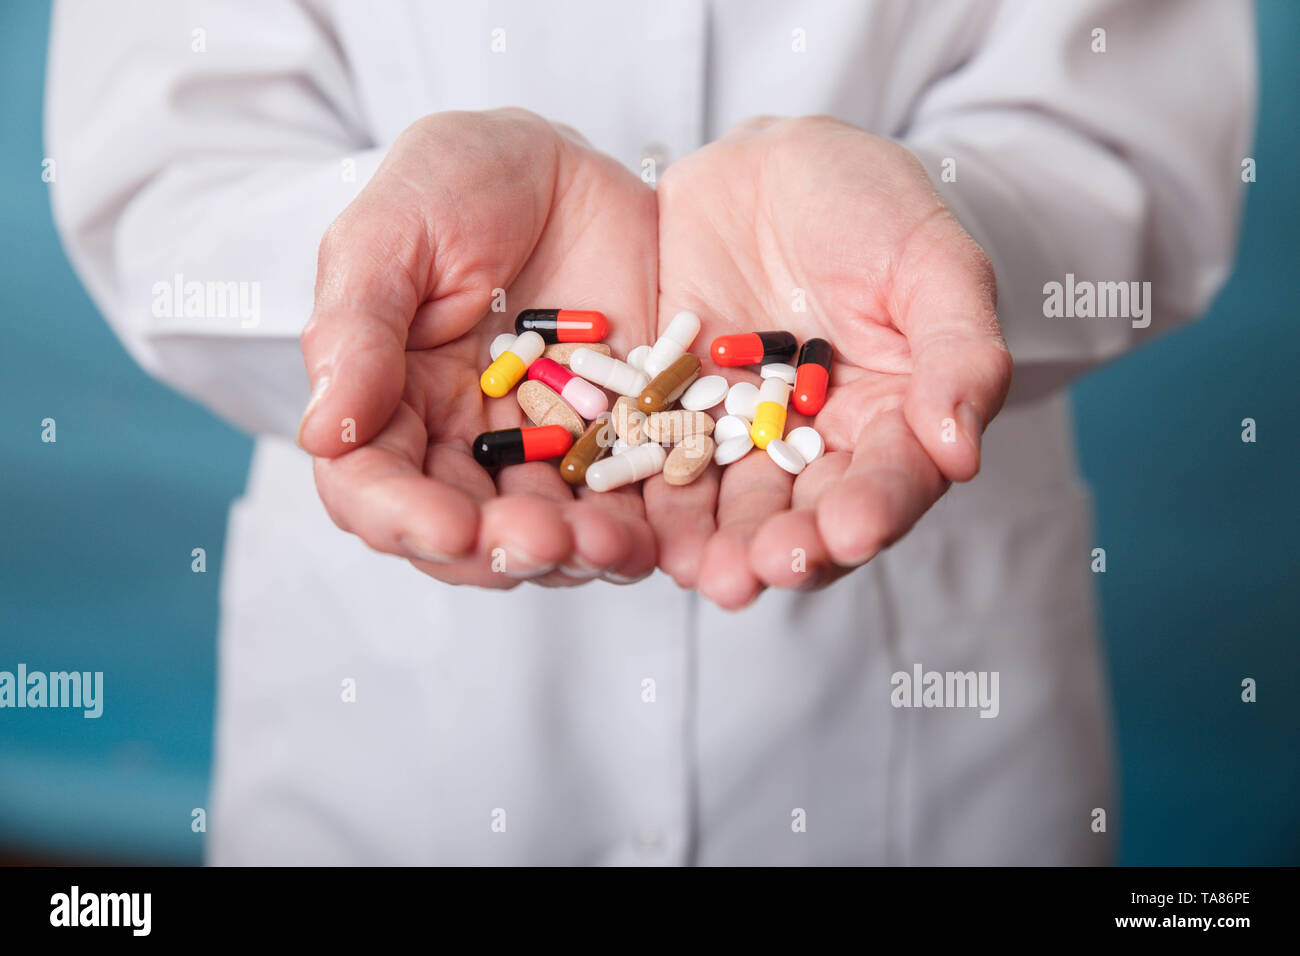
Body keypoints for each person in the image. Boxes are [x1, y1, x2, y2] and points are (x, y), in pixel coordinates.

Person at [46, 0, 1253, 865]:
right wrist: (375, 267)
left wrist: (933, 240)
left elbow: (1131, 150)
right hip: (390, 729)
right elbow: (160, 165)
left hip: (919, 707)